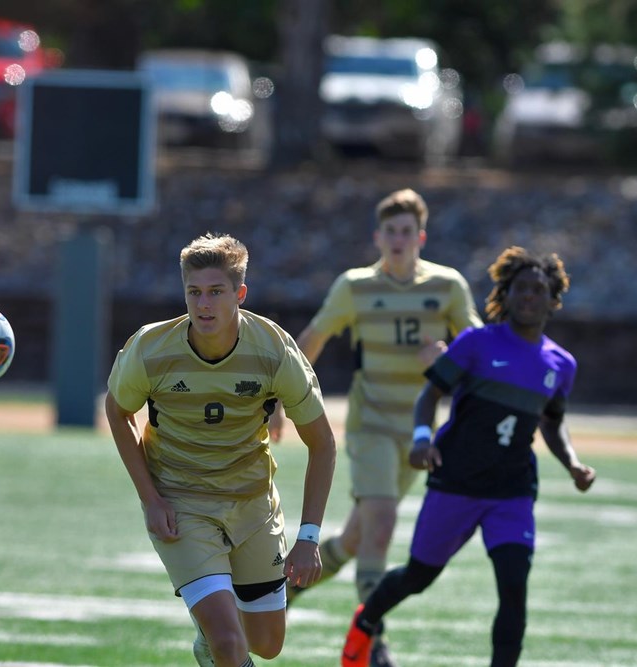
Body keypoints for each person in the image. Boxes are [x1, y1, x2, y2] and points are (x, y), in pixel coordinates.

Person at [341, 246, 597, 667]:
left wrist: (571, 462)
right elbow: (430, 394)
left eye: (539, 289)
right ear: (506, 294)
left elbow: (552, 422)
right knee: (418, 577)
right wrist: (422, 439)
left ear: (554, 300)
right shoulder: (477, 343)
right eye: (521, 288)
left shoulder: (561, 363)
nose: (530, 296)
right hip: (455, 480)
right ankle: (366, 621)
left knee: (514, 586)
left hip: (512, 490)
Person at [104, 233, 336, 667]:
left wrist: (309, 538)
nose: (203, 304)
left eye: (215, 292)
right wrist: (151, 500)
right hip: (183, 505)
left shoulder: (274, 350)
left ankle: (207, 642)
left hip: (253, 505)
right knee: (231, 644)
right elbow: (117, 412)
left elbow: (322, 444)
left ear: (240, 294)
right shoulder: (151, 349)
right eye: (194, 292)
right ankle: (214, 636)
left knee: (266, 644)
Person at [271, 188, 481, 665]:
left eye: (407, 231)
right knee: (382, 524)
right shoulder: (355, 285)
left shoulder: (447, 286)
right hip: (370, 425)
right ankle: (371, 639)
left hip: (419, 429)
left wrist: (448, 359)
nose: (398, 239)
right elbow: (313, 339)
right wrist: (281, 399)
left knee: (355, 540)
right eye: (391, 231)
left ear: (421, 236)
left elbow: (477, 350)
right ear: (378, 236)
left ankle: (286, 589)